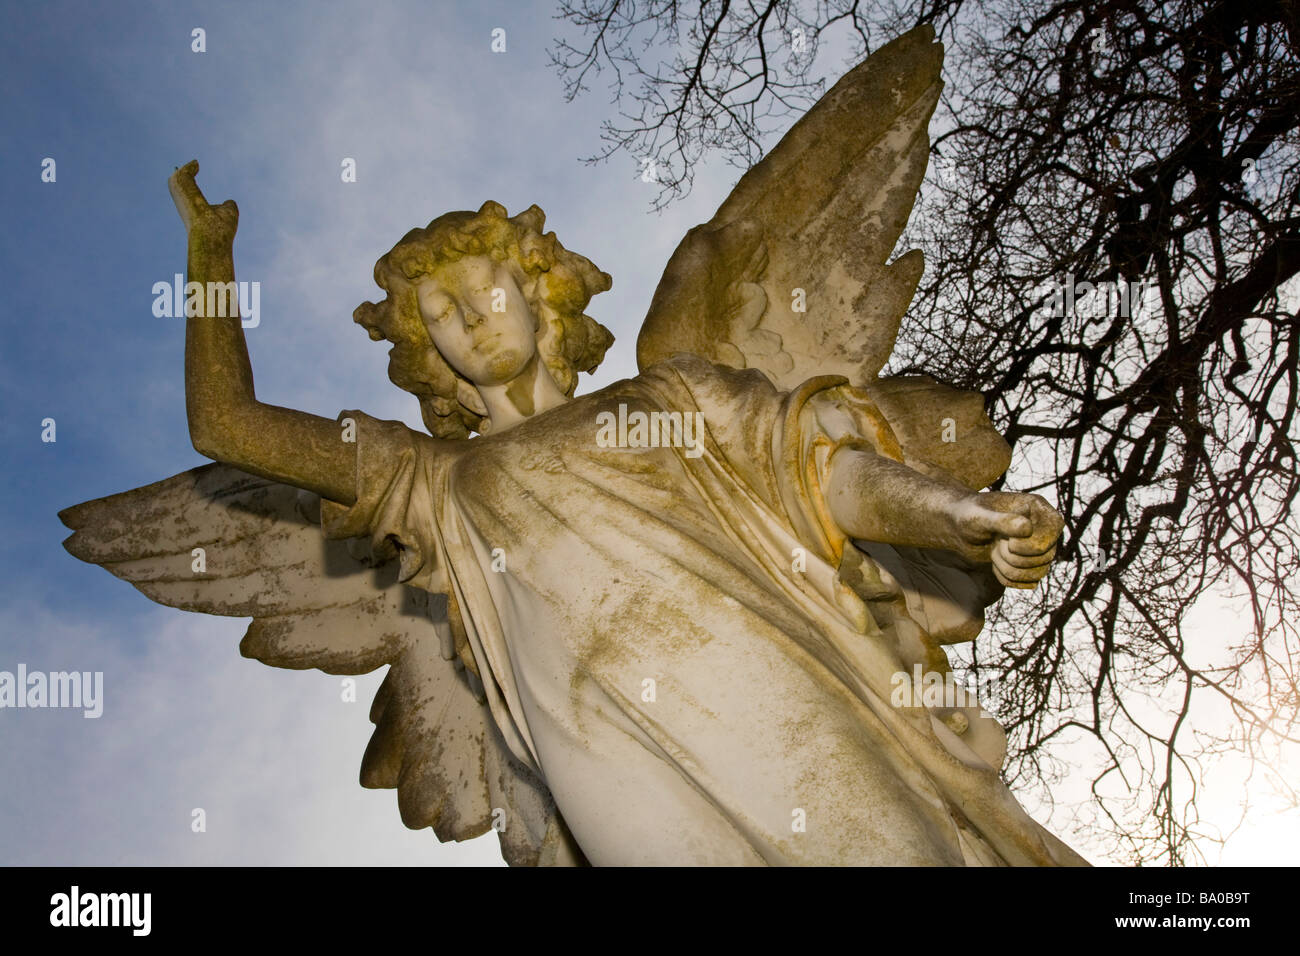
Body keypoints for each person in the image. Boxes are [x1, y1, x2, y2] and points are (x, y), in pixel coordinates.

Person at [168, 159, 1085, 865]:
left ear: (539, 293)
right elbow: (227, 425)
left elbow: (820, 474)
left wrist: (953, 513)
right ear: (427, 352)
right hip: (595, 739)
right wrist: (210, 259)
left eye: (488, 290)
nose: (473, 319)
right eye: (442, 313)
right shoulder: (433, 482)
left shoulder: (669, 395)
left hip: (763, 675)